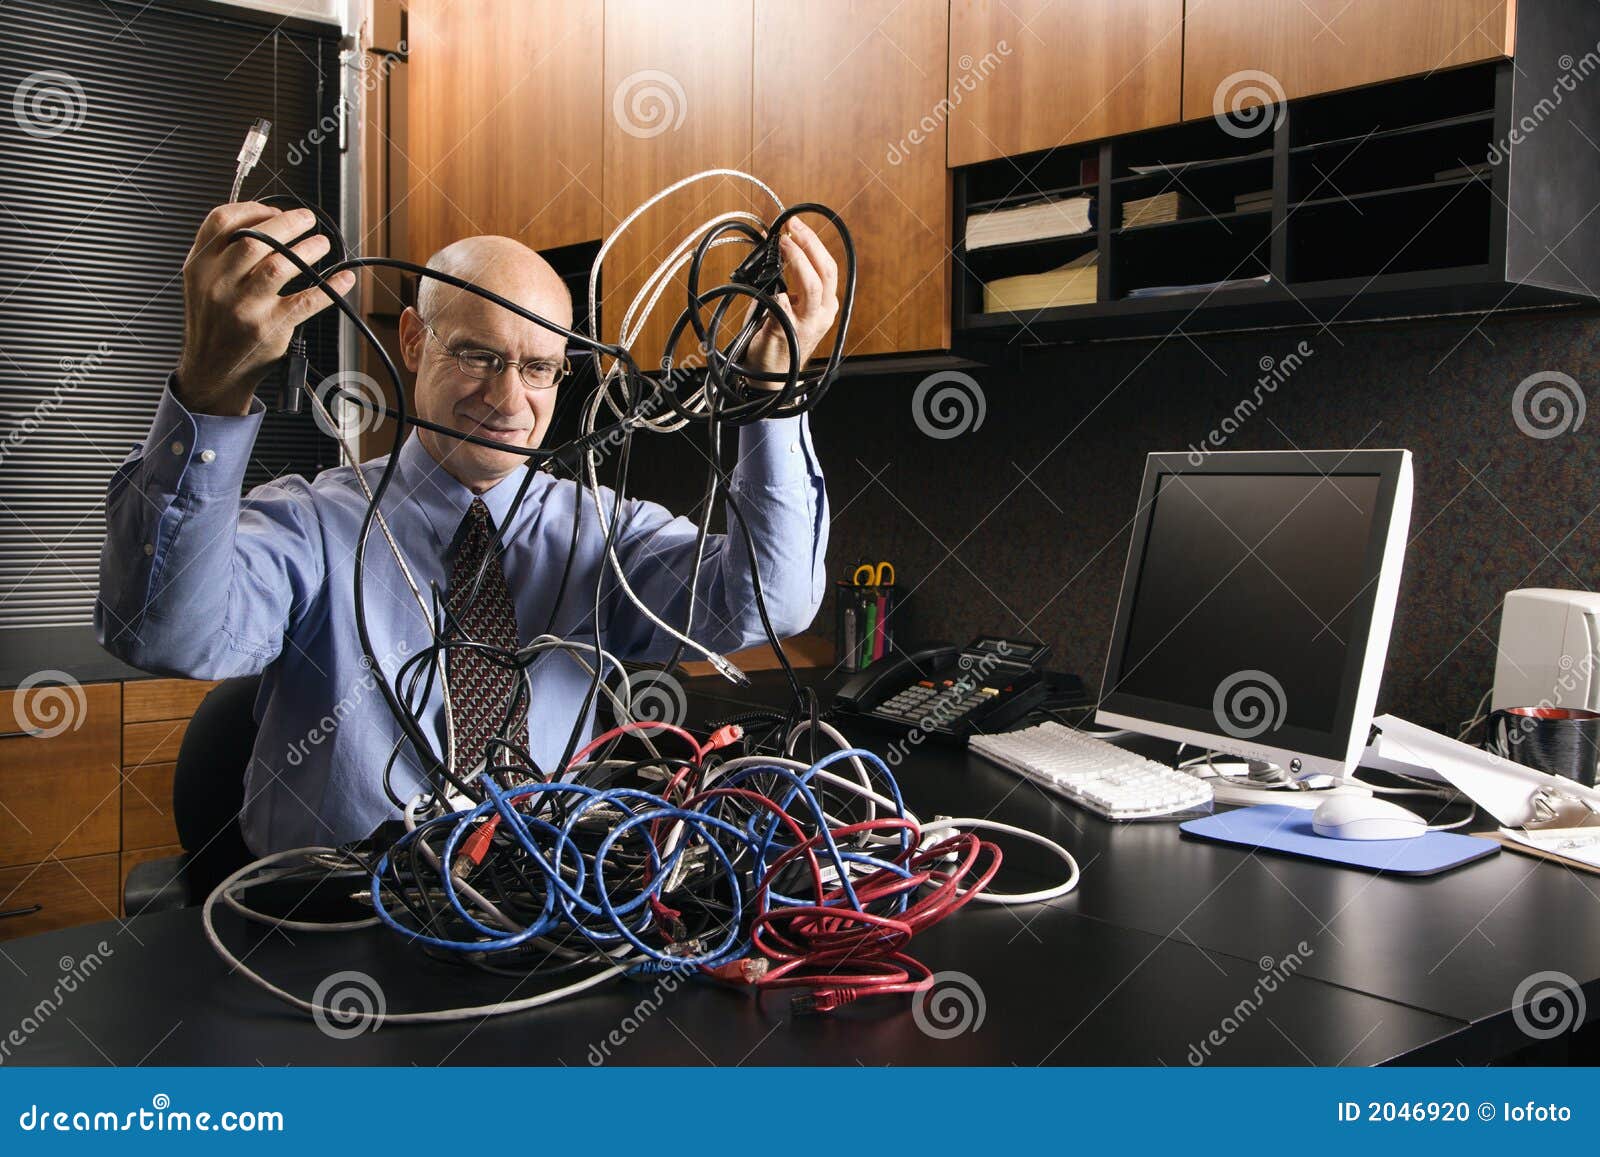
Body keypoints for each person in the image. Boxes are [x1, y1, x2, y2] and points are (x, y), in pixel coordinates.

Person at [96, 202, 838, 855]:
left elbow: (772, 601)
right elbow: (163, 631)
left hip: (539, 913)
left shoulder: (601, 536)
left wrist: (773, 398)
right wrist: (212, 388)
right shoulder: (312, 525)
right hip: (328, 938)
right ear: (415, 340)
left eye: (541, 367)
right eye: (480, 356)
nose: (510, 397)